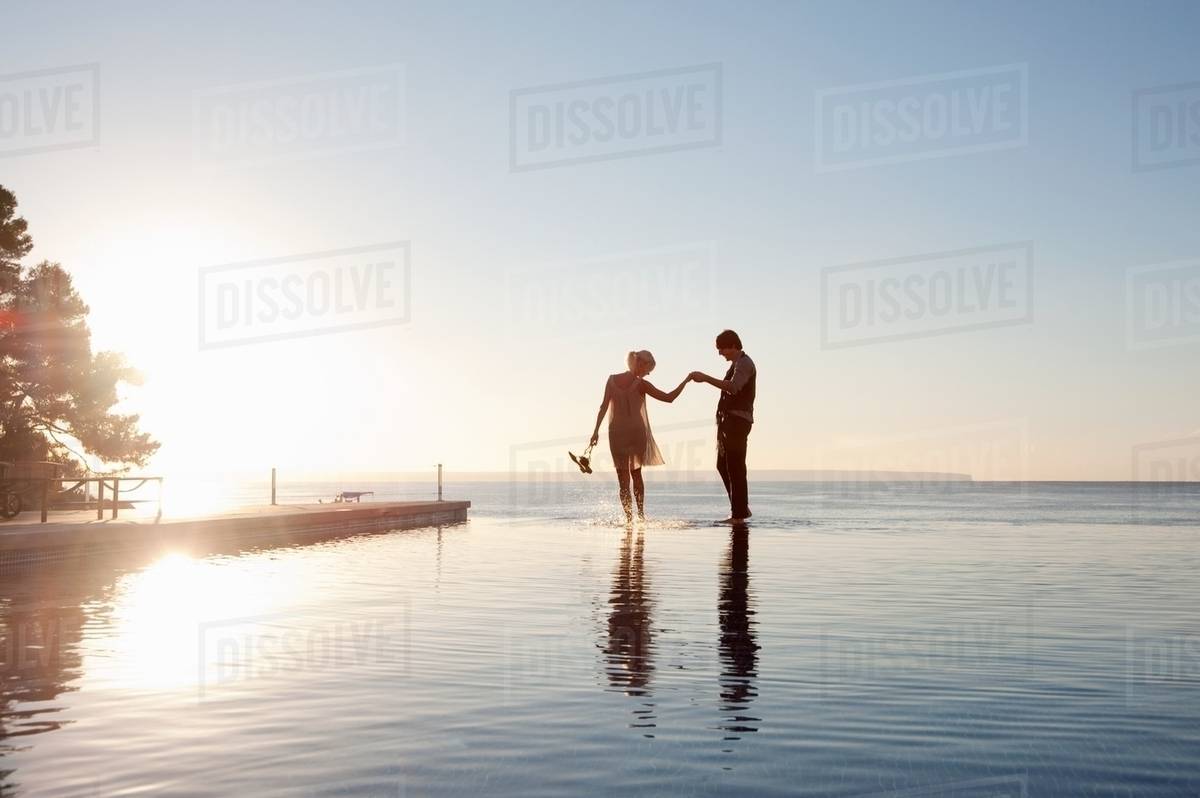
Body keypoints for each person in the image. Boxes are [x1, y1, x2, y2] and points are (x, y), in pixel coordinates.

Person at [590, 350, 689, 522]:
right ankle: (641, 516)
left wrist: (595, 431)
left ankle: (629, 519)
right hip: (636, 432)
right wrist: (686, 381)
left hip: (617, 432)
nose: (648, 373)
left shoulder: (612, 379)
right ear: (641, 364)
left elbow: (603, 406)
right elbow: (669, 398)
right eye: (648, 369)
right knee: (636, 474)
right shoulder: (642, 384)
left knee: (623, 478)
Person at [690, 330, 756, 524]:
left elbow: (733, 387)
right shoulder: (736, 364)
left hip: (738, 421)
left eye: (722, 349)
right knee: (722, 465)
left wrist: (705, 378)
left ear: (733, 346)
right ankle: (741, 508)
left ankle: (738, 515)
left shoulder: (745, 363)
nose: (720, 353)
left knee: (735, 467)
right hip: (727, 422)